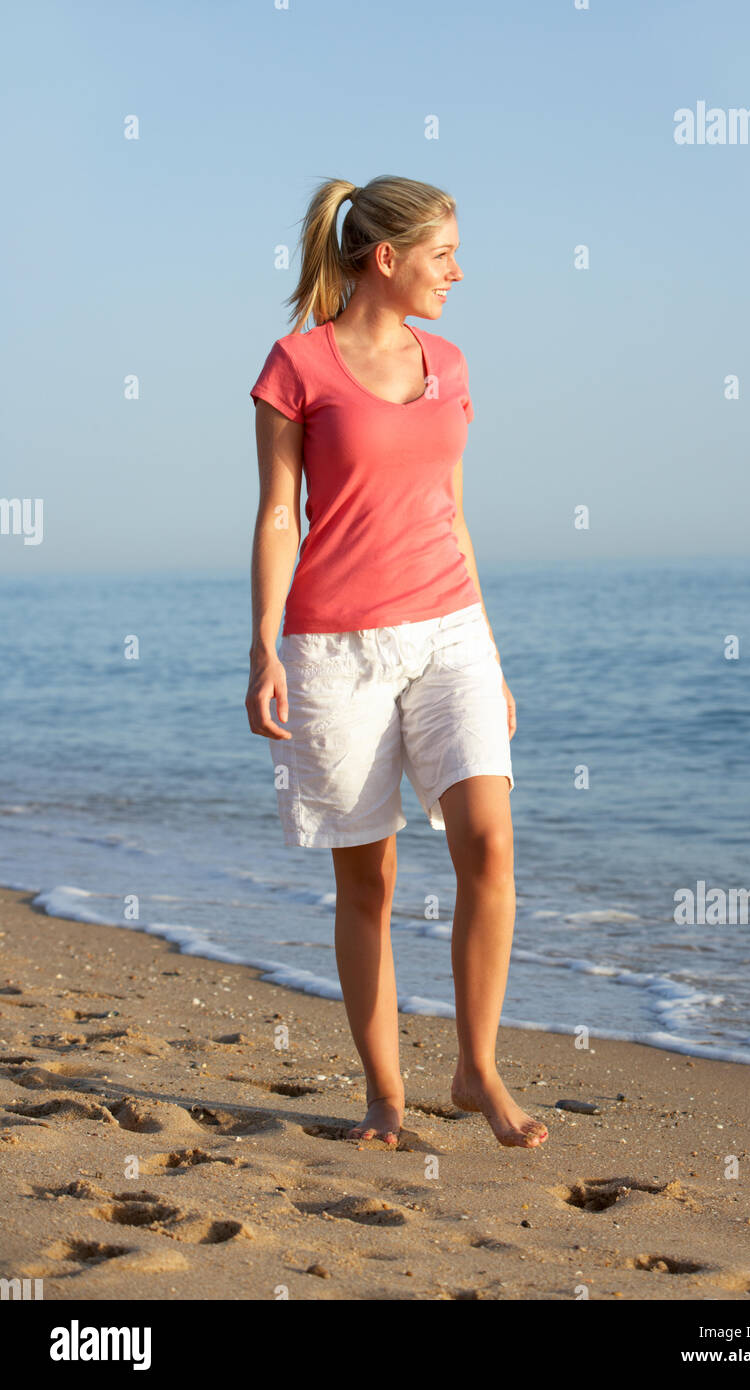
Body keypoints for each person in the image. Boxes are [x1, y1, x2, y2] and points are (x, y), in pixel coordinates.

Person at [246, 175, 548, 1149]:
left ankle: (474, 1067)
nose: (457, 273)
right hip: (334, 645)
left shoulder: (449, 363)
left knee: (489, 843)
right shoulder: (295, 366)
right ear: (386, 259)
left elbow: (453, 514)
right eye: (441, 256)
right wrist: (263, 644)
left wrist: (489, 656)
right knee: (366, 881)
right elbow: (278, 514)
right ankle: (384, 1097)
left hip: (448, 630)